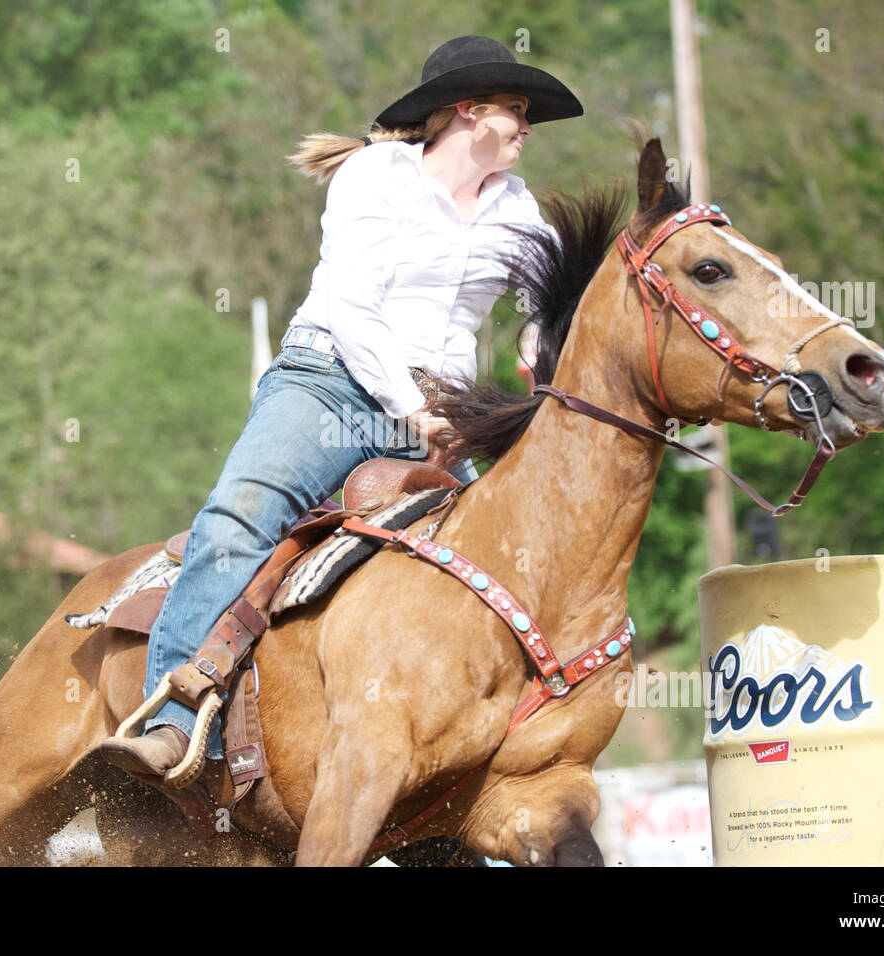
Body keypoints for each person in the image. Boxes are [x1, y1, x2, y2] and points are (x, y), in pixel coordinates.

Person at [100, 35, 582, 780]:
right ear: (466, 110)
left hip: (444, 416)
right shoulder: (374, 177)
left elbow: (543, 312)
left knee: (504, 561)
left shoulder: (520, 213)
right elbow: (355, 308)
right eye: (514, 110)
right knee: (241, 513)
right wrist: (415, 404)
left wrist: (538, 358)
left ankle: (498, 749)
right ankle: (174, 718)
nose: (526, 127)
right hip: (329, 381)